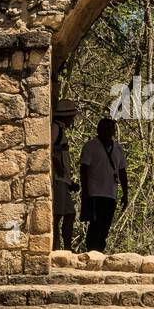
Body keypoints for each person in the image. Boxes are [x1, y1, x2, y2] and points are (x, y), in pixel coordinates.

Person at [80, 117, 128, 253]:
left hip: (111, 193)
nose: (108, 131)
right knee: (95, 225)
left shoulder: (118, 148)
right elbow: (83, 169)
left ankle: (99, 251)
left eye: (110, 129)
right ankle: (91, 251)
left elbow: (122, 171)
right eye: (105, 128)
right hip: (94, 192)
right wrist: (85, 191)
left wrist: (125, 194)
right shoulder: (91, 146)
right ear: (98, 130)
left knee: (106, 226)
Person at [51, 99, 79, 251]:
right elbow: (52, 150)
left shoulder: (59, 128)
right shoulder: (56, 128)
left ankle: (66, 248)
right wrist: (59, 167)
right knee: (57, 216)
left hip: (63, 179)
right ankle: (56, 248)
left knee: (69, 214)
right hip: (58, 178)